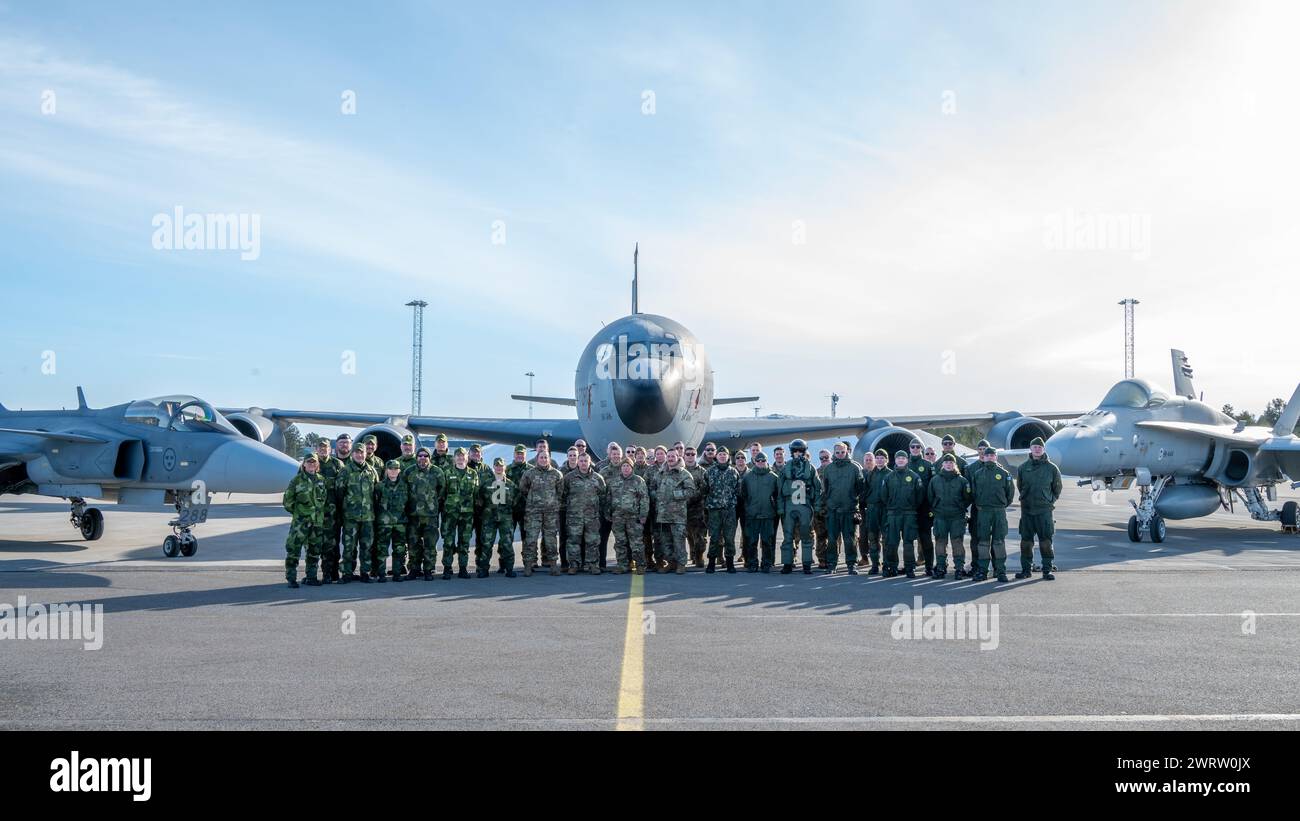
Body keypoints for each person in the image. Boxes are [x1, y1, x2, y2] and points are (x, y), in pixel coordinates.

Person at [1016, 437, 1062, 580]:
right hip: (1027, 510)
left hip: (1044, 511)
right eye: (1034, 446)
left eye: (1039, 447)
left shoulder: (1052, 468)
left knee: (1046, 542)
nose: (1037, 449)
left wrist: (1049, 500)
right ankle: (1026, 570)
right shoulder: (1023, 468)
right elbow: (1020, 486)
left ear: (1043, 449)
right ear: (1030, 449)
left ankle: (1047, 569)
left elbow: (1057, 488)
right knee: (1026, 542)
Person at [969, 446, 1015, 582]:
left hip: (998, 512)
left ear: (996, 457)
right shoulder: (977, 474)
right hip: (983, 512)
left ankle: (1000, 571)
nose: (989, 457)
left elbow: (1010, 494)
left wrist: (1001, 506)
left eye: (992, 455)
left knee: (999, 542)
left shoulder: (1004, 474)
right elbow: (974, 492)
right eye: (987, 455)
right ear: (984, 457)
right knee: (983, 542)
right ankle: (983, 571)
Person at [282, 453, 327, 588]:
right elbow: (287, 501)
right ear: (304, 464)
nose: (312, 464)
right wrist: (299, 513)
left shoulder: (321, 480)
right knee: (294, 550)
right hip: (300, 523)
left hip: (316, 522)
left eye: (314, 462)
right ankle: (291, 578)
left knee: (314, 551)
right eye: (309, 462)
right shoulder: (296, 480)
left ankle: (311, 577)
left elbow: (324, 498)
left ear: (317, 465)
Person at [336, 444, 379, 583]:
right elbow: (339, 493)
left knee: (366, 546)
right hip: (351, 517)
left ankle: (365, 572)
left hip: (368, 517)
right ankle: (347, 573)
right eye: (357, 453)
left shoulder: (371, 471)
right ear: (352, 454)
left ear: (366, 454)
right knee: (349, 547)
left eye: (362, 453)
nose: (359, 455)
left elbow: (376, 494)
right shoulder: (346, 471)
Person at [778, 439, 821, 574]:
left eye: (800, 451)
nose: (797, 453)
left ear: (804, 451)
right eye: (795, 451)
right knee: (788, 536)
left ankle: (807, 564)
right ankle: (787, 563)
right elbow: (779, 489)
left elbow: (818, 488)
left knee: (806, 535)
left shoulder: (810, 468)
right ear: (791, 452)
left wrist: (817, 506)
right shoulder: (786, 467)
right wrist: (780, 507)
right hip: (789, 504)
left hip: (805, 505)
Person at [820, 441, 863, 574]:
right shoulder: (828, 469)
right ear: (834, 453)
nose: (840, 454)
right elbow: (825, 489)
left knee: (850, 539)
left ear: (847, 452)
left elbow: (861, 488)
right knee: (832, 539)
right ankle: (832, 564)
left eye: (842, 452)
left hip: (849, 510)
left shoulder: (855, 468)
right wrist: (826, 506)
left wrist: (855, 504)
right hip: (833, 510)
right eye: (837, 452)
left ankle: (852, 564)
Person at [519, 450, 564, 576]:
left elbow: (560, 492)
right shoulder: (529, 473)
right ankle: (528, 565)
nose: (543, 459)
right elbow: (523, 489)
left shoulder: (557, 474)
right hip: (533, 512)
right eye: (541, 457)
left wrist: (552, 503)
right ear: (537, 459)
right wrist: (533, 500)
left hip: (550, 512)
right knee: (531, 538)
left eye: (546, 457)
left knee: (551, 539)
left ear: (549, 459)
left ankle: (553, 565)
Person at [562, 451, 607, 575]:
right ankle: (574, 565)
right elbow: (563, 494)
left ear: (589, 462)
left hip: (592, 517)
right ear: (577, 462)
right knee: (573, 541)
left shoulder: (598, 478)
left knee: (592, 541)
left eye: (585, 461)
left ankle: (593, 565)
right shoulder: (569, 478)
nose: (583, 463)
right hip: (574, 516)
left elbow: (603, 496)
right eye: (581, 461)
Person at [927, 454, 971, 579]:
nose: (948, 464)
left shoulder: (962, 481)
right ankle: (941, 567)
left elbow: (968, 498)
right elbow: (930, 496)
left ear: (955, 465)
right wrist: (936, 507)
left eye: (951, 462)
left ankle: (959, 568)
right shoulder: (935, 480)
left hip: (957, 516)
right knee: (940, 541)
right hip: (940, 516)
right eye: (946, 462)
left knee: (957, 541)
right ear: (942, 464)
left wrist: (961, 506)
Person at [405, 447, 445, 580]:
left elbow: (442, 490)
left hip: (430, 516)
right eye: (420, 456)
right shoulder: (409, 472)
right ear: (416, 458)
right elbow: (404, 490)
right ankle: (414, 569)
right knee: (413, 544)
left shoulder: (437, 472)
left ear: (429, 458)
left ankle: (428, 569)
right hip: (413, 515)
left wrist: (432, 504)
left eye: (425, 456)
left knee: (430, 544)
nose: (423, 458)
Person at [654, 449, 695, 574]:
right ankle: (671, 563)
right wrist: (656, 495)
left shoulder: (684, 474)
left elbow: (691, 491)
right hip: (663, 514)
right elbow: (653, 487)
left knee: (679, 541)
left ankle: (681, 564)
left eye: (673, 456)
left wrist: (675, 494)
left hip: (677, 515)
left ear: (678, 457)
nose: (671, 458)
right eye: (669, 456)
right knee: (666, 541)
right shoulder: (661, 473)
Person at [883, 450, 923, 578]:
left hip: (909, 514)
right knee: (892, 542)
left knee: (908, 542)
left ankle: (910, 568)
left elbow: (920, 495)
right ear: (895, 460)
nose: (901, 460)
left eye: (903, 458)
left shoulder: (914, 476)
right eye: (898, 458)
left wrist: (911, 506)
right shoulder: (889, 477)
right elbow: (884, 495)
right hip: (893, 514)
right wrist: (891, 505)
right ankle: (892, 567)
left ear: (907, 460)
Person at [441, 447, 479, 580]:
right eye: (458, 455)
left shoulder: (473, 474)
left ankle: (463, 568)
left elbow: (476, 494)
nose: (460, 458)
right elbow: (442, 493)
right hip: (450, 514)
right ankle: (447, 568)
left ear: (467, 458)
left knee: (464, 542)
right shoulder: (447, 473)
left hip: (467, 514)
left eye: (463, 456)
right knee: (448, 542)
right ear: (454, 458)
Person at [607, 457, 650, 574]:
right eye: (624, 466)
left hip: (634, 518)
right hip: (618, 517)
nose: (626, 468)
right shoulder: (614, 481)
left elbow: (644, 499)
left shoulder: (638, 480)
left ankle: (640, 565)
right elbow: (608, 498)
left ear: (632, 468)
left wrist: (643, 515)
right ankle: (622, 565)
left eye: (628, 466)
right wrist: (608, 513)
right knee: (620, 543)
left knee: (636, 543)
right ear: (621, 468)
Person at [739, 451, 779, 572]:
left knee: (767, 541)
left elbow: (777, 496)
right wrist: (748, 508)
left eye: (763, 460)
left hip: (768, 515)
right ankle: (752, 563)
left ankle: (766, 563)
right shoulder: (748, 477)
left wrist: (773, 508)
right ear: (754, 462)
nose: (760, 463)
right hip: (752, 515)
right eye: (758, 461)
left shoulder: (774, 477)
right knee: (751, 541)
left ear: (767, 461)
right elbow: (743, 495)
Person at [703, 446, 741, 573]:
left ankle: (730, 563)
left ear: (728, 457)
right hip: (714, 510)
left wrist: (732, 502)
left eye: (725, 454)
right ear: (716, 457)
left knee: (729, 538)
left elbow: (738, 490)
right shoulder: (709, 472)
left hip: (729, 510)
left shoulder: (733, 472)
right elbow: (704, 491)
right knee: (714, 538)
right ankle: (711, 563)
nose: (722, 456)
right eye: (720, 454)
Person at [479, 457, 519, 578]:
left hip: (505, 519)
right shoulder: (486, 484)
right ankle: (483, 569)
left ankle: (509, 569)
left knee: (507, 544)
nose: (499, 467)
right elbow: (480, 500)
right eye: (496, 465)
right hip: (489, 518)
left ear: (505, 467)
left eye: (501, 465)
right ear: (493, 467)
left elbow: (516, 501)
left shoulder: (511, 485)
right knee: (486, 544)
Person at [371, 459, 407, 583]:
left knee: (399, 549)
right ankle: (381, 574)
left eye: (396, 469)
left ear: (399, 471)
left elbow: (408, 503)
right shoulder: (379, 486)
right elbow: (375, 503)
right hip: (384, 523)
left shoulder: (404, 485)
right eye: (391, 468)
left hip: (400, 522)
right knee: (382, 549)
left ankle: (397, 573)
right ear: (386, 470)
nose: (393, 471)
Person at [317, 436, 347, 583]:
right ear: (316, 449)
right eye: (320, 447)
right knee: (324, 545)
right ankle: (327, 574)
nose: (323, 450)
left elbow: (343, 489)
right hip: (318, 513)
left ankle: (334, 573)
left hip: (335, 513)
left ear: (330, 449)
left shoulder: (338, 464)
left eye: (326, 447)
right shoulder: (311, 463)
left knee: (334, 544)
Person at [908, 439, 936, 574]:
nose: (915, 448)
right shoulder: (903, 464)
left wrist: (931, 507)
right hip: (908, 508)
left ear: (921, 448)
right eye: (912, 446)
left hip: (924, 508)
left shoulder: (927, 465)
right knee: (908, 539)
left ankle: (929, 566)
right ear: (909, 448)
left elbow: (933, 487)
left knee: (925, 538)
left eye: (917, 446)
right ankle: (910, 565)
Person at [596, 442, 625, 570]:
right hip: (606, 511)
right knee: (602, 539)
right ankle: (601, 564)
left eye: (618, 454)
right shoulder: (603, 471)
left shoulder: (626, 469)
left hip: (621, 511)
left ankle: (622, 564)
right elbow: (599, 491)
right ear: (609, 455)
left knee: (621, 539)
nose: (616, 456)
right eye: (614, 454)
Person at [505, 445, 531, 572]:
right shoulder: (507, 470)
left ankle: (528, 563)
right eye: (517, 454)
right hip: (511, 509)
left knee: (527, 537)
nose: (519, 456)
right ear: (514, 454)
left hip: (526, 509)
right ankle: (505, 563)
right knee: (507, 537)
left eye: (522, 454)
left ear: (525, 455)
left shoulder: (531, 470)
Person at [683, 446, 710, 567]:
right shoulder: (680, 471)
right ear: (684, 455)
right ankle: (692, 554)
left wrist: (692, 497)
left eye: (692, 454)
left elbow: (704, 488)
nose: (690, 456)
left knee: (700, 537)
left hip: (698, 509)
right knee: (688, 535)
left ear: (696, 455)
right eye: (687, 454)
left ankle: (699, 556)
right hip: (683, 509)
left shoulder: (702, 471)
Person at [813, 448, 832, 568]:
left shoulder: (835, 471)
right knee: (820, 536)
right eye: (821, 458)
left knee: (834, 536)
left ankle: (832, 558)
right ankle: (822, 559)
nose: (824, 460)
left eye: (826, 457)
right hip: (819, 508)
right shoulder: (816, 472)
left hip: (832, 508)